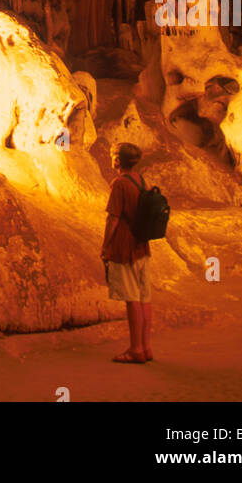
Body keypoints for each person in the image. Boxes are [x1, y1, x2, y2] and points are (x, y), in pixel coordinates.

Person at [101, 141, 152, 364]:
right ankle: (146, 347)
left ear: (118, 160)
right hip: (142, 247)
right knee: (144, 298)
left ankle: (136, 349)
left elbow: (113, 218)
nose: (111, 157)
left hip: (125, 246)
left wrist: (105, 245)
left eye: (113, 154)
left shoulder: (119, 184)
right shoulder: (141, 180)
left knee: (132, 299)